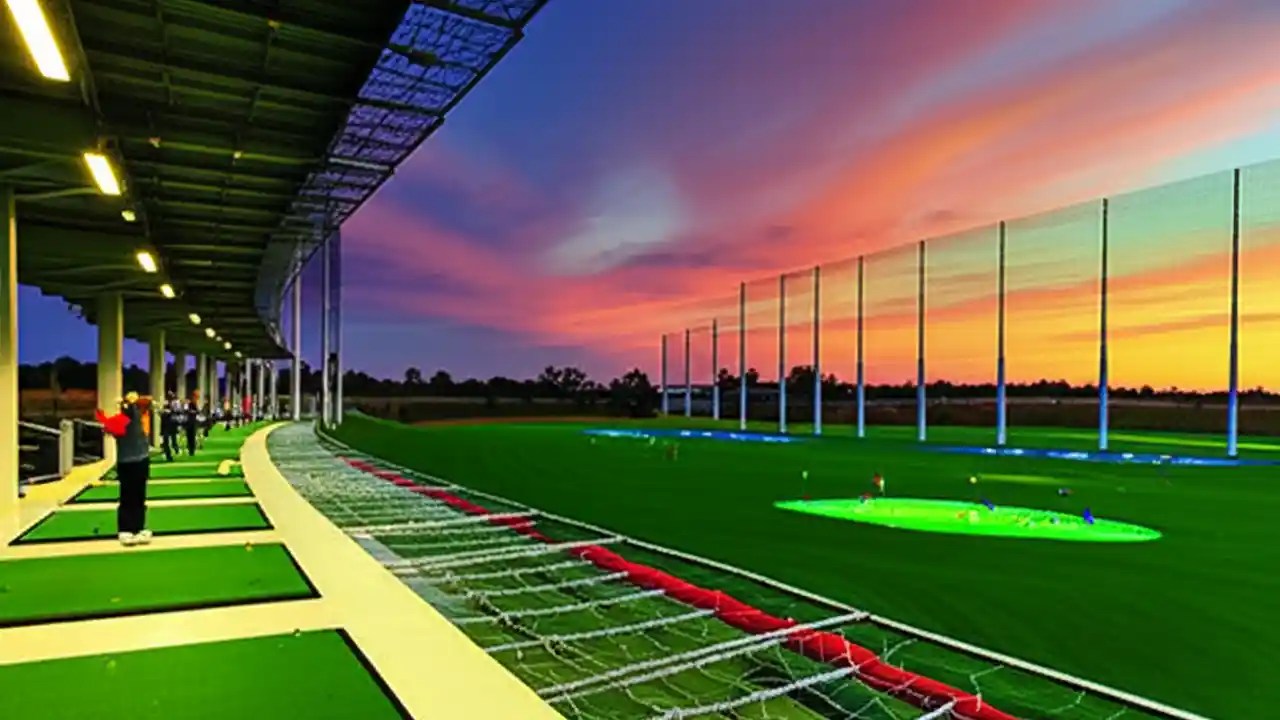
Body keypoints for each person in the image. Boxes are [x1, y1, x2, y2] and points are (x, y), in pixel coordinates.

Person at [97, 392, 153, 546]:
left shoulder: (142, 416)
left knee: (139, 497)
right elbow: (108, 428)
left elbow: (148, 401)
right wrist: (127, 403)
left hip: (142, 460)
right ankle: (125, 529)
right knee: (128, 497)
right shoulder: (121, 420)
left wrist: (132, 401)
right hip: (127, 463)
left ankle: (139, 527)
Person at [160, 391, 179, 462]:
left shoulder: (176, 403)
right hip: (166, 425)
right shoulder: (164, 403)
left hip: (172, 424)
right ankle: (168, 455)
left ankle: (175, 448)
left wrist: (171, 411)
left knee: (173, 440)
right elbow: (161, 412)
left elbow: (177, 411)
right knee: (166, 440)